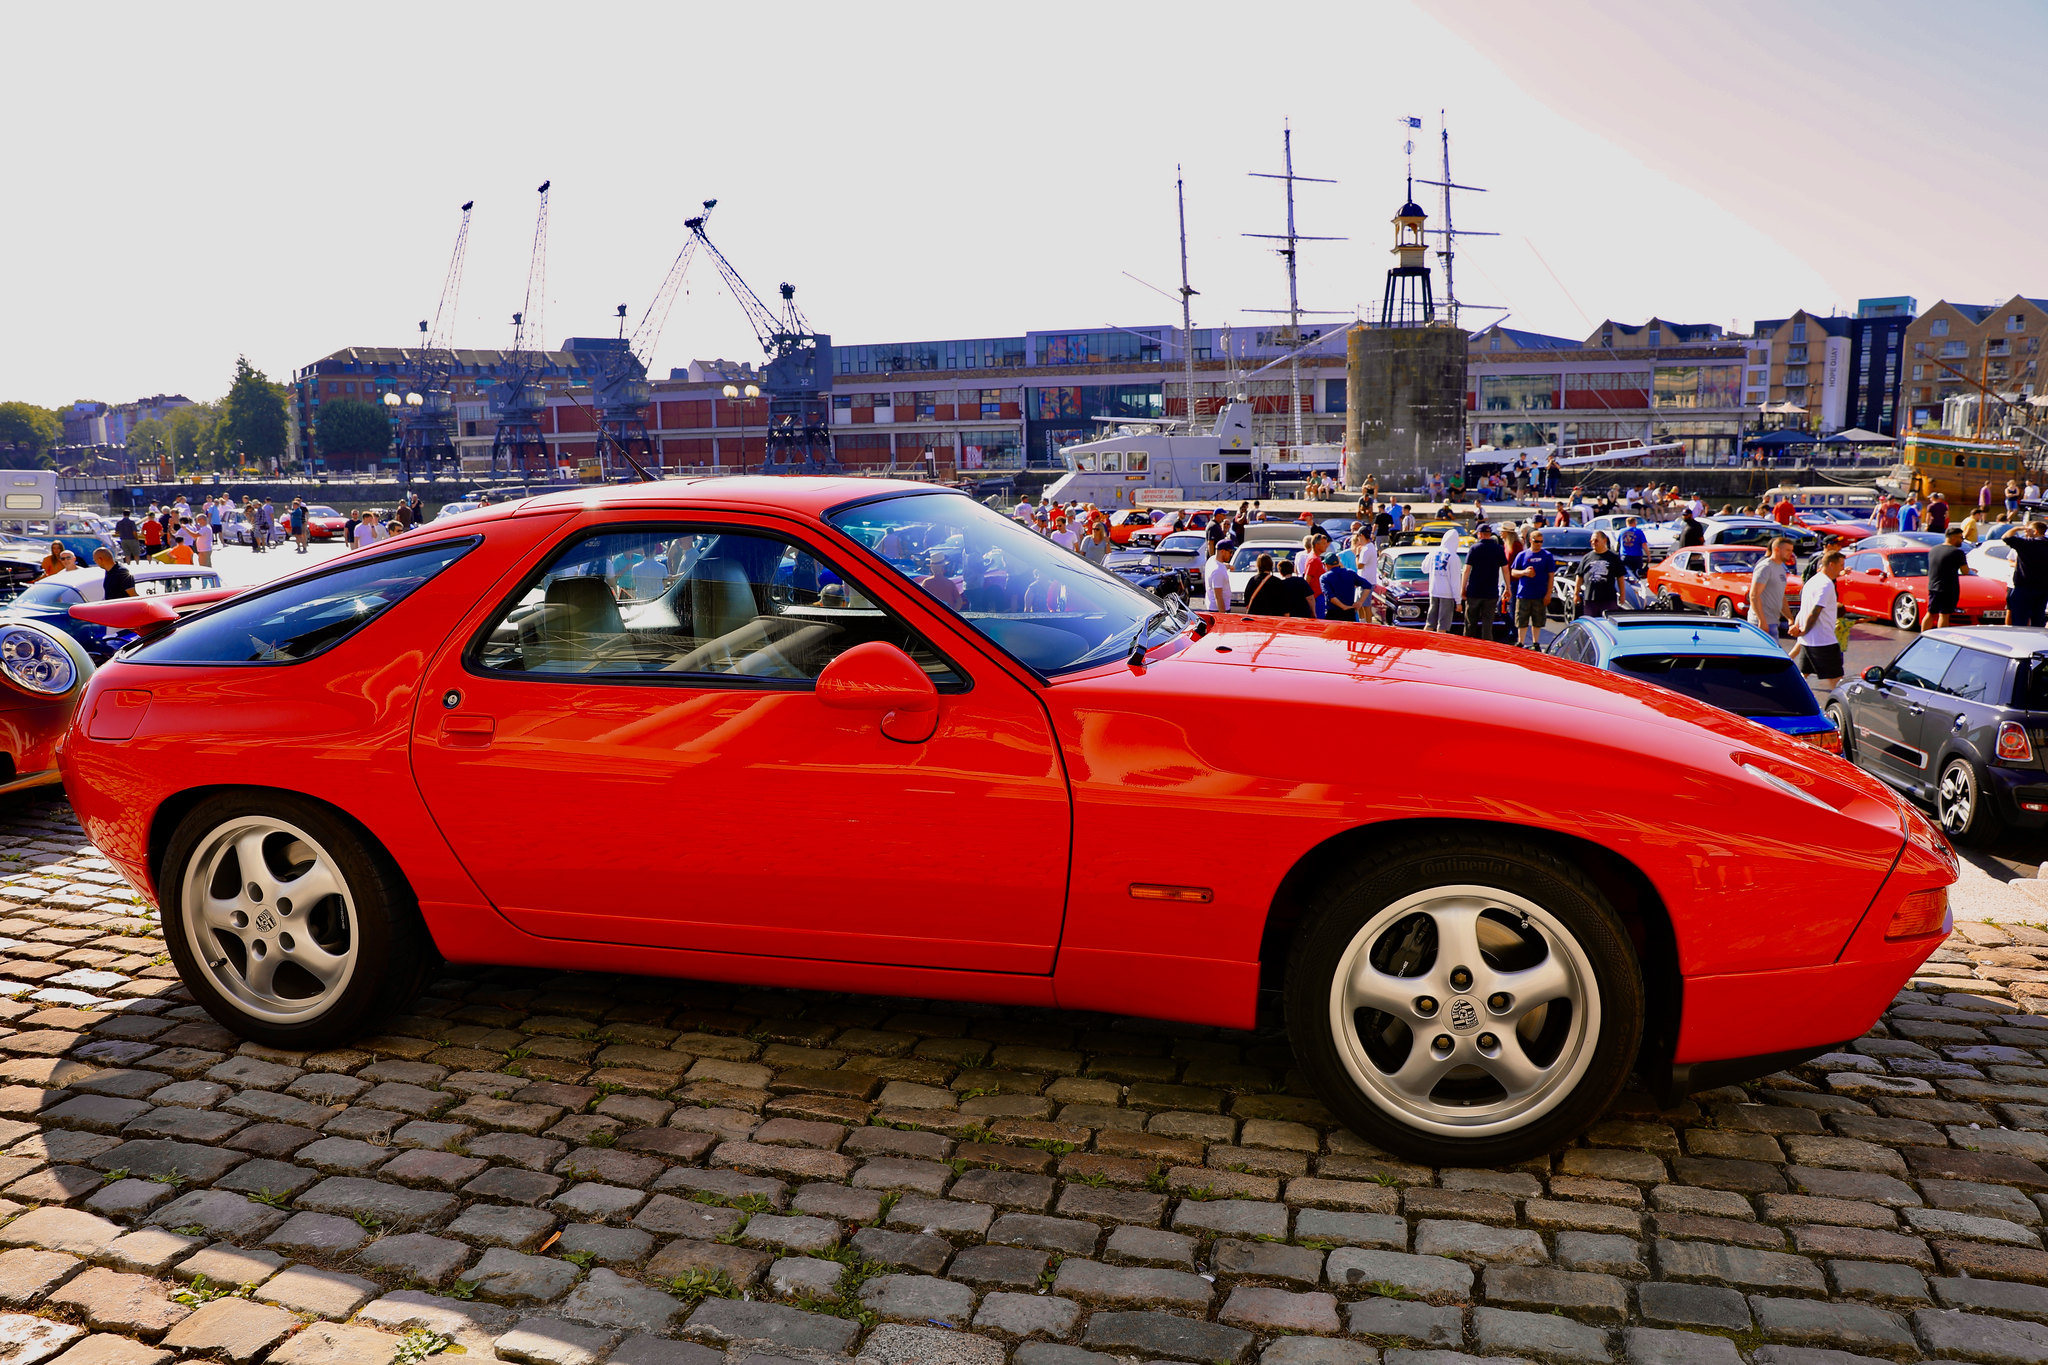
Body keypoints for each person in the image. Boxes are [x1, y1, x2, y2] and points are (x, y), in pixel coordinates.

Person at [1789, 548, 1845, 692]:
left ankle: (1790, 695)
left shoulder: (1811, 581)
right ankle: (1839, 703)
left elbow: (1803, 609)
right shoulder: (1826, 585)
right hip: (1823, 640)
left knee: (1803, 675)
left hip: (1808, 641)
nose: (1842, 569)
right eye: (1841, 565)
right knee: (1836, 679)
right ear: (1831, 565)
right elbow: (1815, 611)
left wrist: (1798, 626)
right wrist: (1804, 630)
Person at [1509, 529, 1557, 649]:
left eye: (1541, 542)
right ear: (1530, 540)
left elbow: (1551, 576)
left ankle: (1536, 643)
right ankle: (1521, 642)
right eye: (1536, 541)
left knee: (1538, 620)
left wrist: (1548, 594)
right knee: (1521, 619)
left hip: (1540, 594)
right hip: (1524, 593)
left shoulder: (1547, 556)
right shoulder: (1522, 555)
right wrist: (1524, 572)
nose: (1539, 544)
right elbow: (1513, 572)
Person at [1461, 522, 1507, 643]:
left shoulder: (1474, 548)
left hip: (1474, 591)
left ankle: (1468, 645)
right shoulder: (1499, 549)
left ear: (1480, 534)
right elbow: (1505, 570)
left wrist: (1463, 588)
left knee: (1470, 623)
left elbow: (1466, 570)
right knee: (1488, 624)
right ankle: (1487, 647)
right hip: (1491, 592)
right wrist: (1508, 587)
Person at [1748, 537, 1797, 642]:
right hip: (1760, 623)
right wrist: (1762, 620)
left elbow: (1781, 596)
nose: (1791, 553)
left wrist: (1790, 618)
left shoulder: (1781, 568)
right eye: (1787, 550)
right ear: (1776, 549)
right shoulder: (1765, 567)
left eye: (1792, 550)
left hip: (1773, 621)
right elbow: (1754, 595)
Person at [2003, 522, 2048, 628]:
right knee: (2038, 618)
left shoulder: (2027, 544)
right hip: (2043, 588)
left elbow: (2005, 537)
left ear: (2035, 531)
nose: (2025, 532)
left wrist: (2016, 528)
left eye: (2027, 529)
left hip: (2024, 587)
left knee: (2020, 620)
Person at [1928, 526, 1970, 630]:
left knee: (1930, 613)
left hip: (1933, 586)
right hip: (1948, 588)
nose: (1962, 540)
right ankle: (1941, 636)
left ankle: (1923, 634)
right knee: (1944, 614)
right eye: (1961, 538)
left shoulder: (1933, 549)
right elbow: (1965, 571)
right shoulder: (1957, 552)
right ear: (1954, 537)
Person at [1579, 531, 1625, 618]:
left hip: (1608, 599)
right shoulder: (1586, 558)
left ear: (1604, 540)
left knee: (1608, 623)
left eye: (1596, 540)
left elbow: (1620, 577)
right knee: (1591, 623)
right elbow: (1579, 576)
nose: (1593, 543)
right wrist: (1576, 593)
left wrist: (1622, 595)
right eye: (1591, 541)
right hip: (1590, 599)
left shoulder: (1613, 558)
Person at [1320, 546, 1365, 624]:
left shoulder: (1324, 577)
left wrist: (1344, 607)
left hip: (1333, 613)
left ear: (1326, 564)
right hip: (1349, 613)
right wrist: (1360, 602)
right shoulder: (1350, 573)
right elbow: (1367, 586)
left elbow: (1331, 597)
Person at [1302, 533, 1330, 618]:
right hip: (1316, 597)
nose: (1326, 546)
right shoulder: (1314, 560)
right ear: (1317, 545)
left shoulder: (1316, 558)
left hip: (1318, 596)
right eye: (1324, 543)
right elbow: (1307, 580)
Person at [1202, 542, 1233, 613]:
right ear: (1222, 551)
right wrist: (1223, 615)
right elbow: (1218, 597)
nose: (1231, 555)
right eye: (1230, 552)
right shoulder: (1217, 571)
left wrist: (1228, 566)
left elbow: (1221, 564)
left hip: (1212, 606)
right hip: (1218, 609)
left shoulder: (1211, 560)